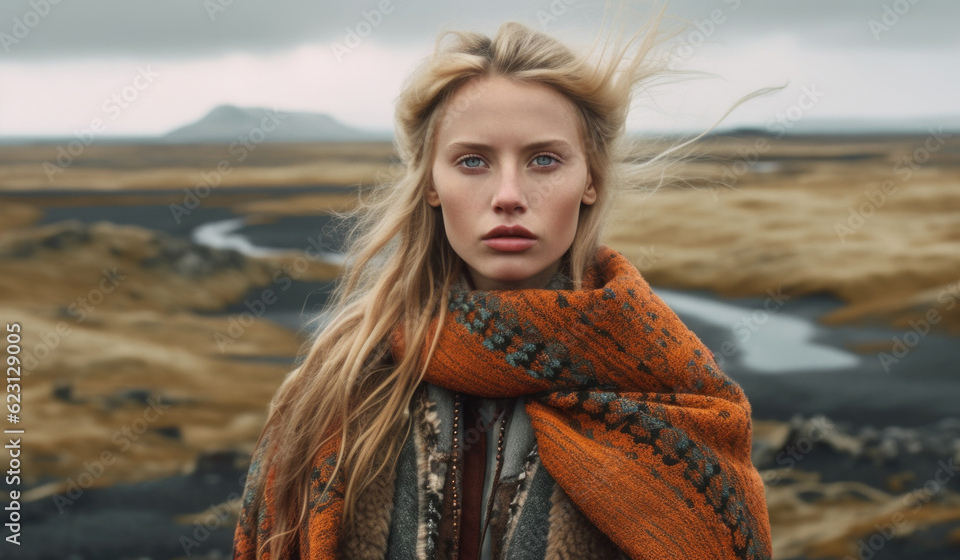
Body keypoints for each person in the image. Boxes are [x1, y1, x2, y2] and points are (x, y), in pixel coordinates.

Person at [233, 11, 773, 560]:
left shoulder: (676, 398)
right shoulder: (336, 388)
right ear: (431, 184)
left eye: (544, 159)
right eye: (473, 161)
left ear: (591, 179)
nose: (509, 194)